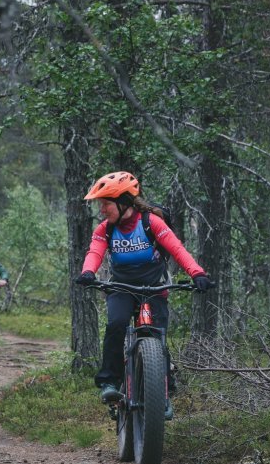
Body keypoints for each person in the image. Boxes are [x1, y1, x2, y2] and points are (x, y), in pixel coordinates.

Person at [75, 171, 212, 417]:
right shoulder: (105, 229)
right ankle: (110, 382)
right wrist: (88, 272)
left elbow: (177, 249)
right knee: (116, 324)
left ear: (123, 202)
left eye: (105, 204)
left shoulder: (151, 223)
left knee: (157, 335)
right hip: (122, 287)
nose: (102, 210)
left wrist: (197, 274)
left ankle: (163, 394)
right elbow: (94, 252)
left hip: (154, 287)